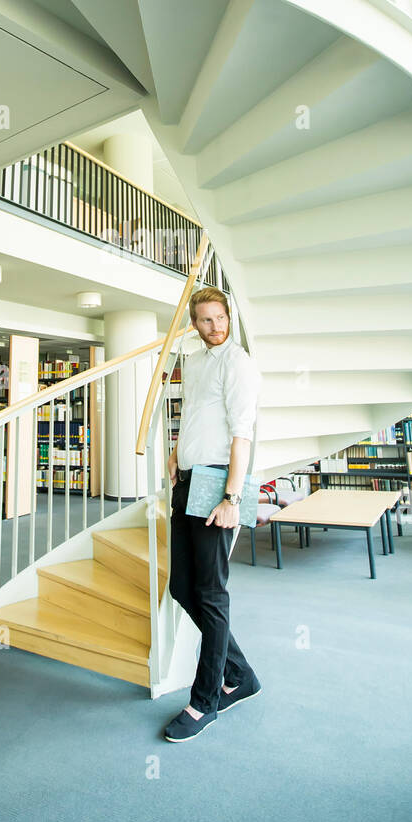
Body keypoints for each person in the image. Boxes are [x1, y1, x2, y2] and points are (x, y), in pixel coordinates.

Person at [163, 285, 262, 743]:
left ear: (229, 315)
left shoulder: (237, 362)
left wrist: (232, 498)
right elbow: (194, 417)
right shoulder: (196, 358)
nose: (214, 327)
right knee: (182, 587)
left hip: (217, 481)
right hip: (188, 478)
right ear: (195, 322)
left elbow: (242, 434)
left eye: (219, 317)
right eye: (204, 319)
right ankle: (240, 674)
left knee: (210, 593)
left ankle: (205, 702)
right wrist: (174, 451)